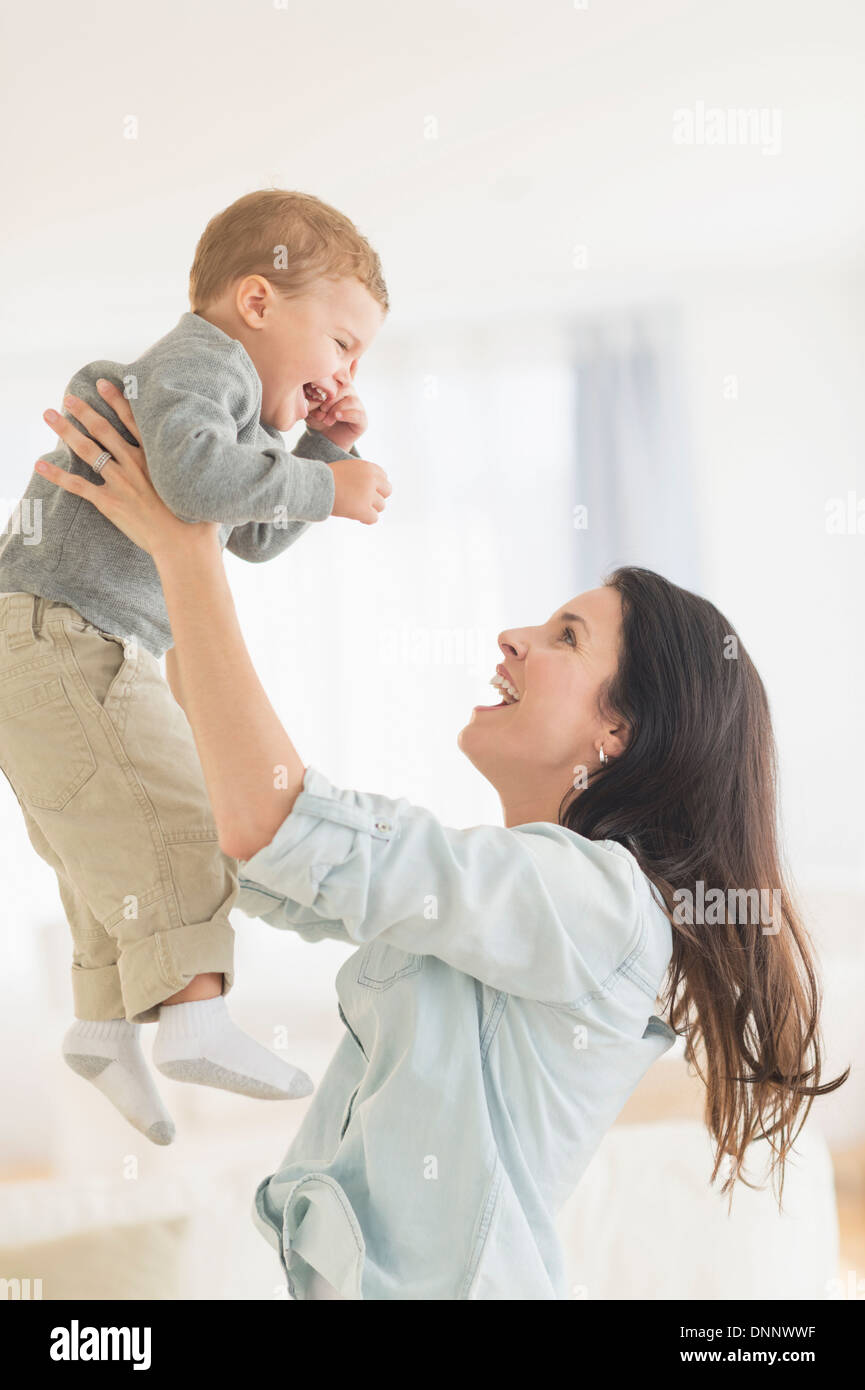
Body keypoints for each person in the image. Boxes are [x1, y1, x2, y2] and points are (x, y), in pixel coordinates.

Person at [33, 386, 848, 1300]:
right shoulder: (506, 901)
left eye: (564, 637)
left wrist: (188, 558)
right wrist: (189, 534)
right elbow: (251, 838)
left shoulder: (601, 904)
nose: (513, 637)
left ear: (616, 732)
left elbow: (278, 824)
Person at [0, 190, 390, 1146]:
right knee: (173, 814)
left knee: (106, 846)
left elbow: (244, 534)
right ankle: (195, 1018)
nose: (347, 369)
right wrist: (327, 487)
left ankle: (103, 1027)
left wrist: (319, 445)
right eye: (342, 343)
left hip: (64, 637)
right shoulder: (196, 364)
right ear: (257, 303)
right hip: (62, 632)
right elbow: (194, 486)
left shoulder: (223, 406)